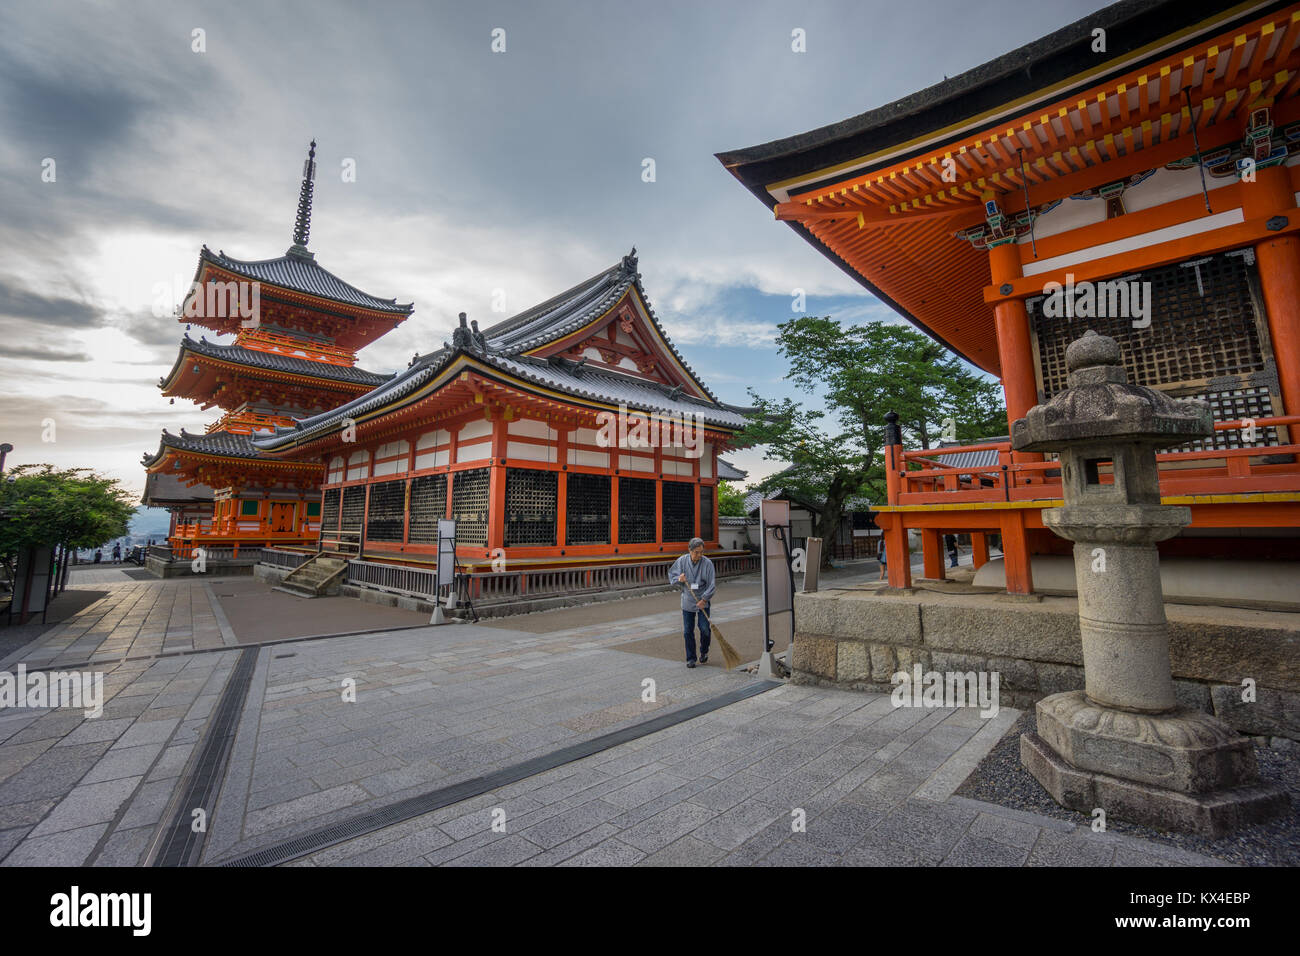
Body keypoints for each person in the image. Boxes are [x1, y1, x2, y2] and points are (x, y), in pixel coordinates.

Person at [668, 537, 715, 668]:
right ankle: (691, 658)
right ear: (690, 550)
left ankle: (704, 651)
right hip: (688, 600)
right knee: (688, 630)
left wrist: (704, 599)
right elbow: (672, 576)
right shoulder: (682, 561)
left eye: (701, 552)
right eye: (696, 552)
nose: (699, 555)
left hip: (703, 600)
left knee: (705, 629)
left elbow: (712, 585)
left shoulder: (707, 563)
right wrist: (679, 578)